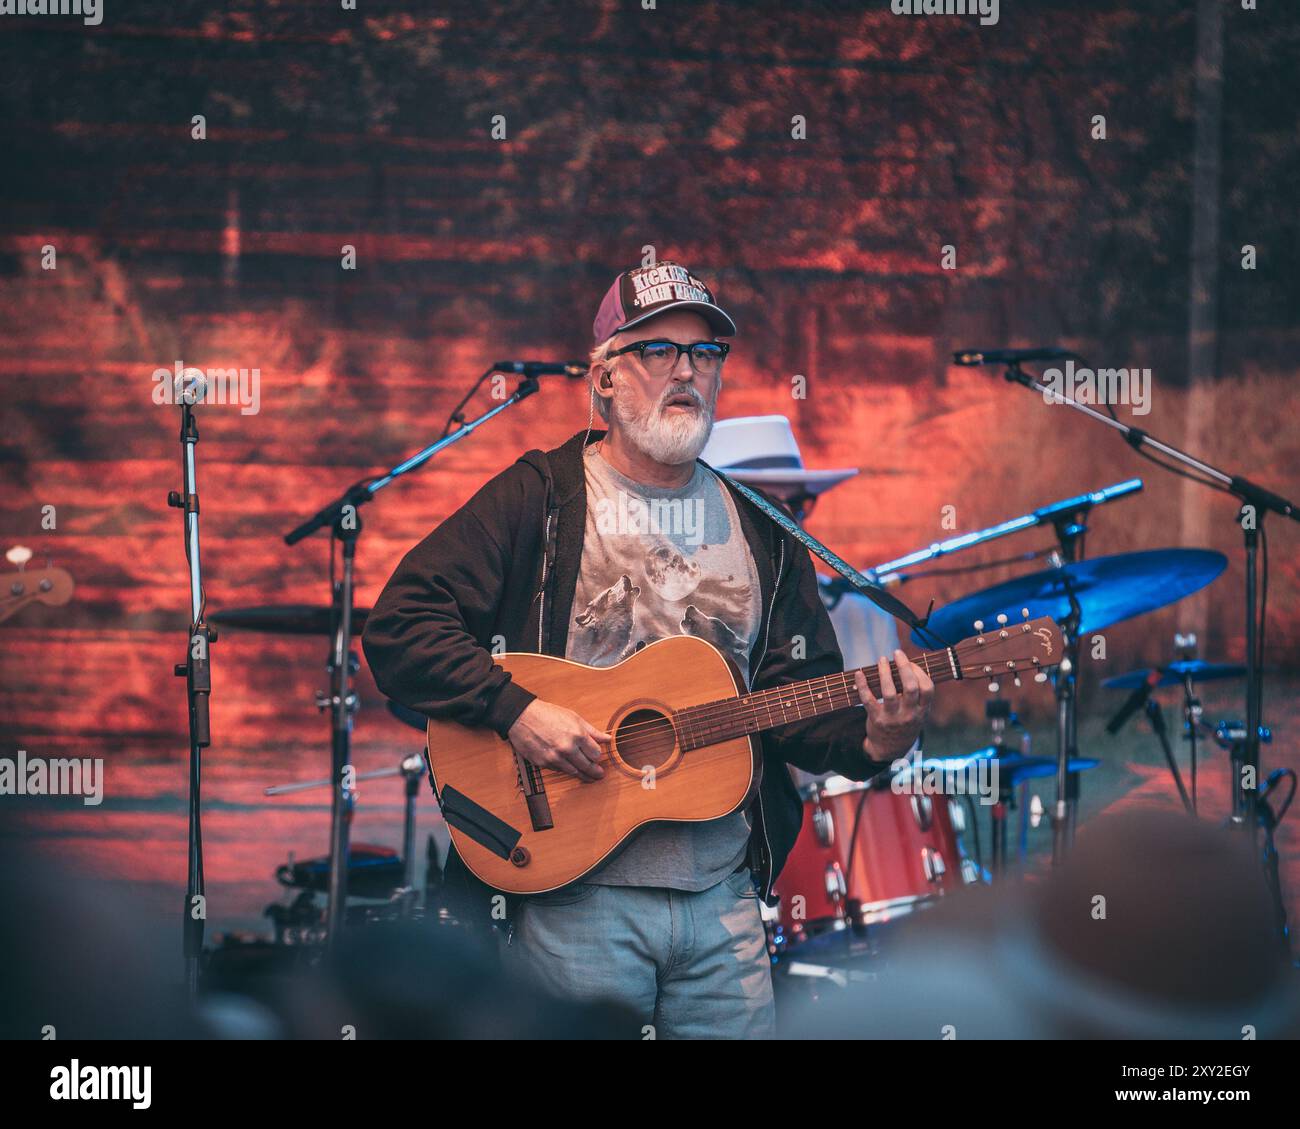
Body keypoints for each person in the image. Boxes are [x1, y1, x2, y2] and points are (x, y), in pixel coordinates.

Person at [362, 260, 932, 1038]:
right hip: (574, 897)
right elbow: (401, 625)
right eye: (659, 350)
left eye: (704, 354)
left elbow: (801, 702)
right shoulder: (544, 497)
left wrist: (880, 736)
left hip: (724, 903)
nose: (687, 371)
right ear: (604, 378)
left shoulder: (764, 527)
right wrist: (516, 709)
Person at [700, 415, 914, 792]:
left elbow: (893, 769)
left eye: (796, 504)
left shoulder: (863, 613)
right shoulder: (676, 609)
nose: (786, 519)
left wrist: (883, 740)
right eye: (763, 503)